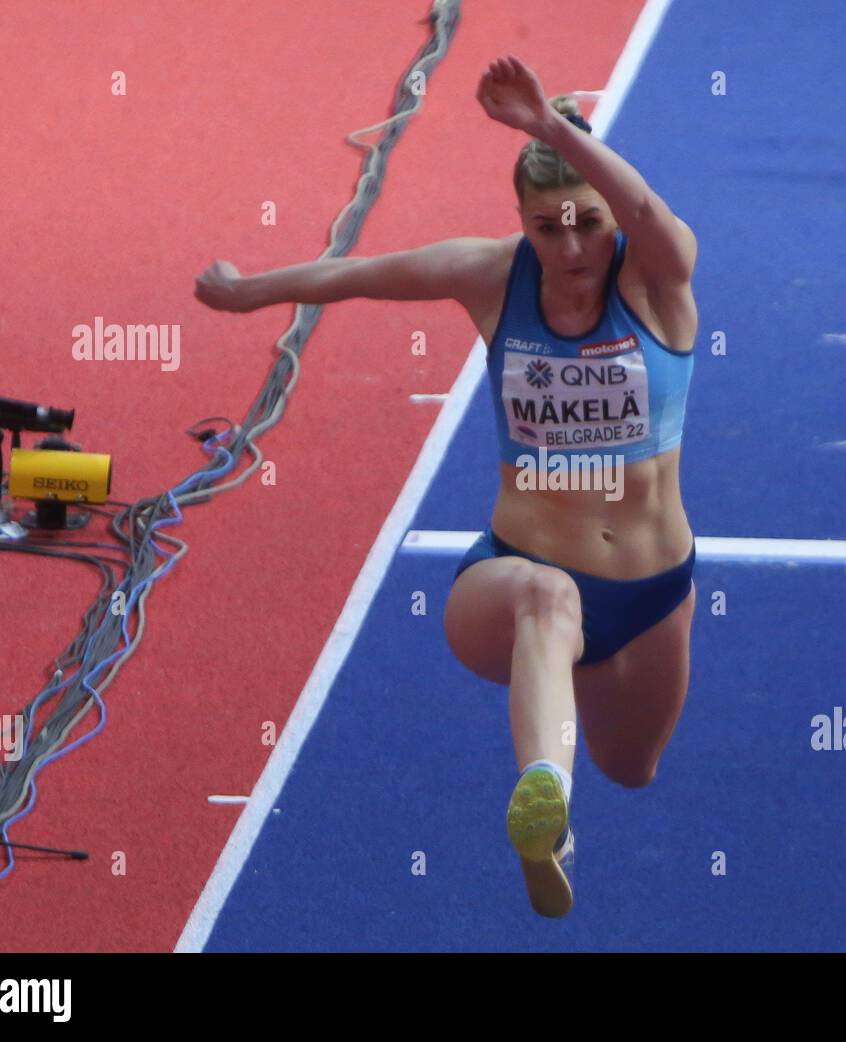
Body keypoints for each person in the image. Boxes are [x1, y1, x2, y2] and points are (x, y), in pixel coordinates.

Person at [194, 55, 699, 919]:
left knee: (635, 768)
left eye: (585, 221)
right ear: (521, 223)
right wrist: (249, 295)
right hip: (512, 575)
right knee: (549, 599)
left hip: (651, 592)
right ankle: (548, 813)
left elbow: (650, 210)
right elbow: (363, 275)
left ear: (611, 214)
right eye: (547, 226)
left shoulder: (654, 277)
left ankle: (562, 705)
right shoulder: (494, 277)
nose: (569, 247)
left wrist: (549, 128)